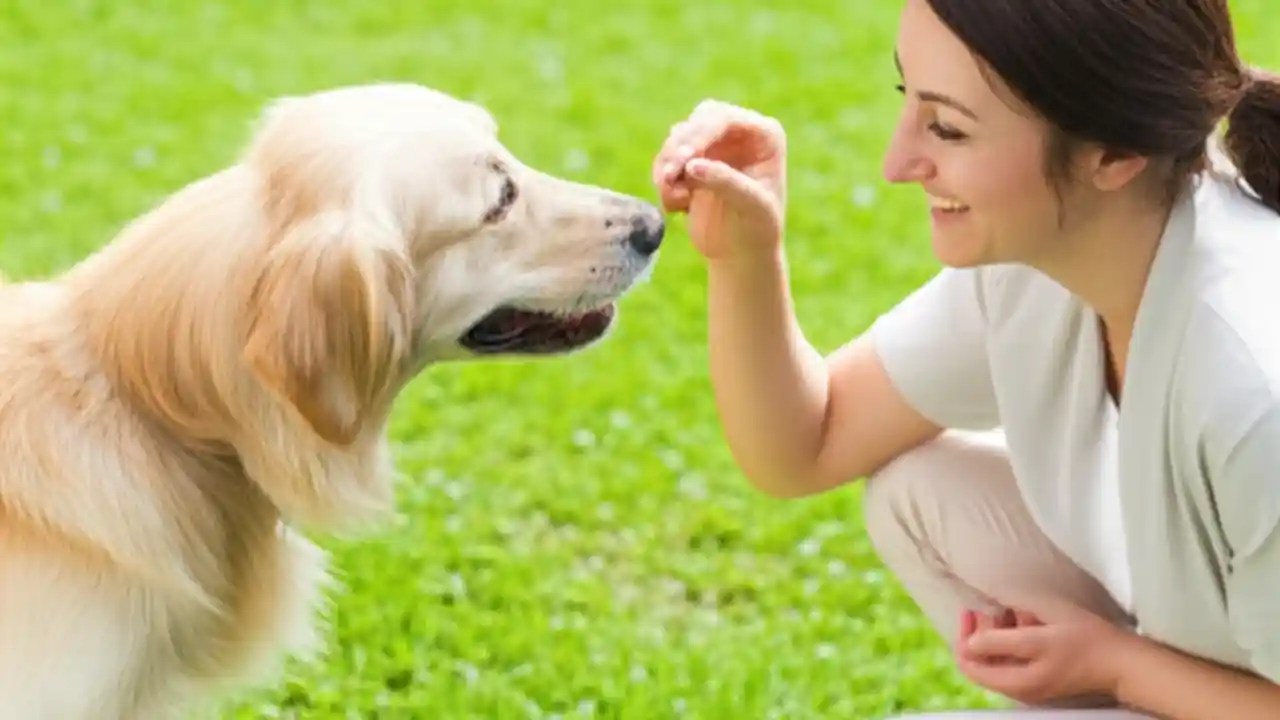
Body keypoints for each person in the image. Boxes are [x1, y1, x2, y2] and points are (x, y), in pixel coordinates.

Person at [651, 1, 1280, 718]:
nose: (896, 163)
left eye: (947, 127)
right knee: (917, 490)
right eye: (908, 102)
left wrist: (1118, 664)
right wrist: (745, 255)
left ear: (1110, 153)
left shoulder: (1252, 381)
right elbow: (807, 442)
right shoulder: (1048, 256)